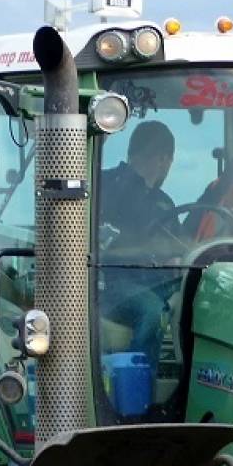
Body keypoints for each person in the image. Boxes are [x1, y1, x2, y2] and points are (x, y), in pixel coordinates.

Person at [98, 120, 180, 378]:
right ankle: (136, 383)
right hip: (110, 283)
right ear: (163, 159)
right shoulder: (106, 185)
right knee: (152, 311)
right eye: (168, 161)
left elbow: (176, 252)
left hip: (155, 281)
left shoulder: (165, 203)